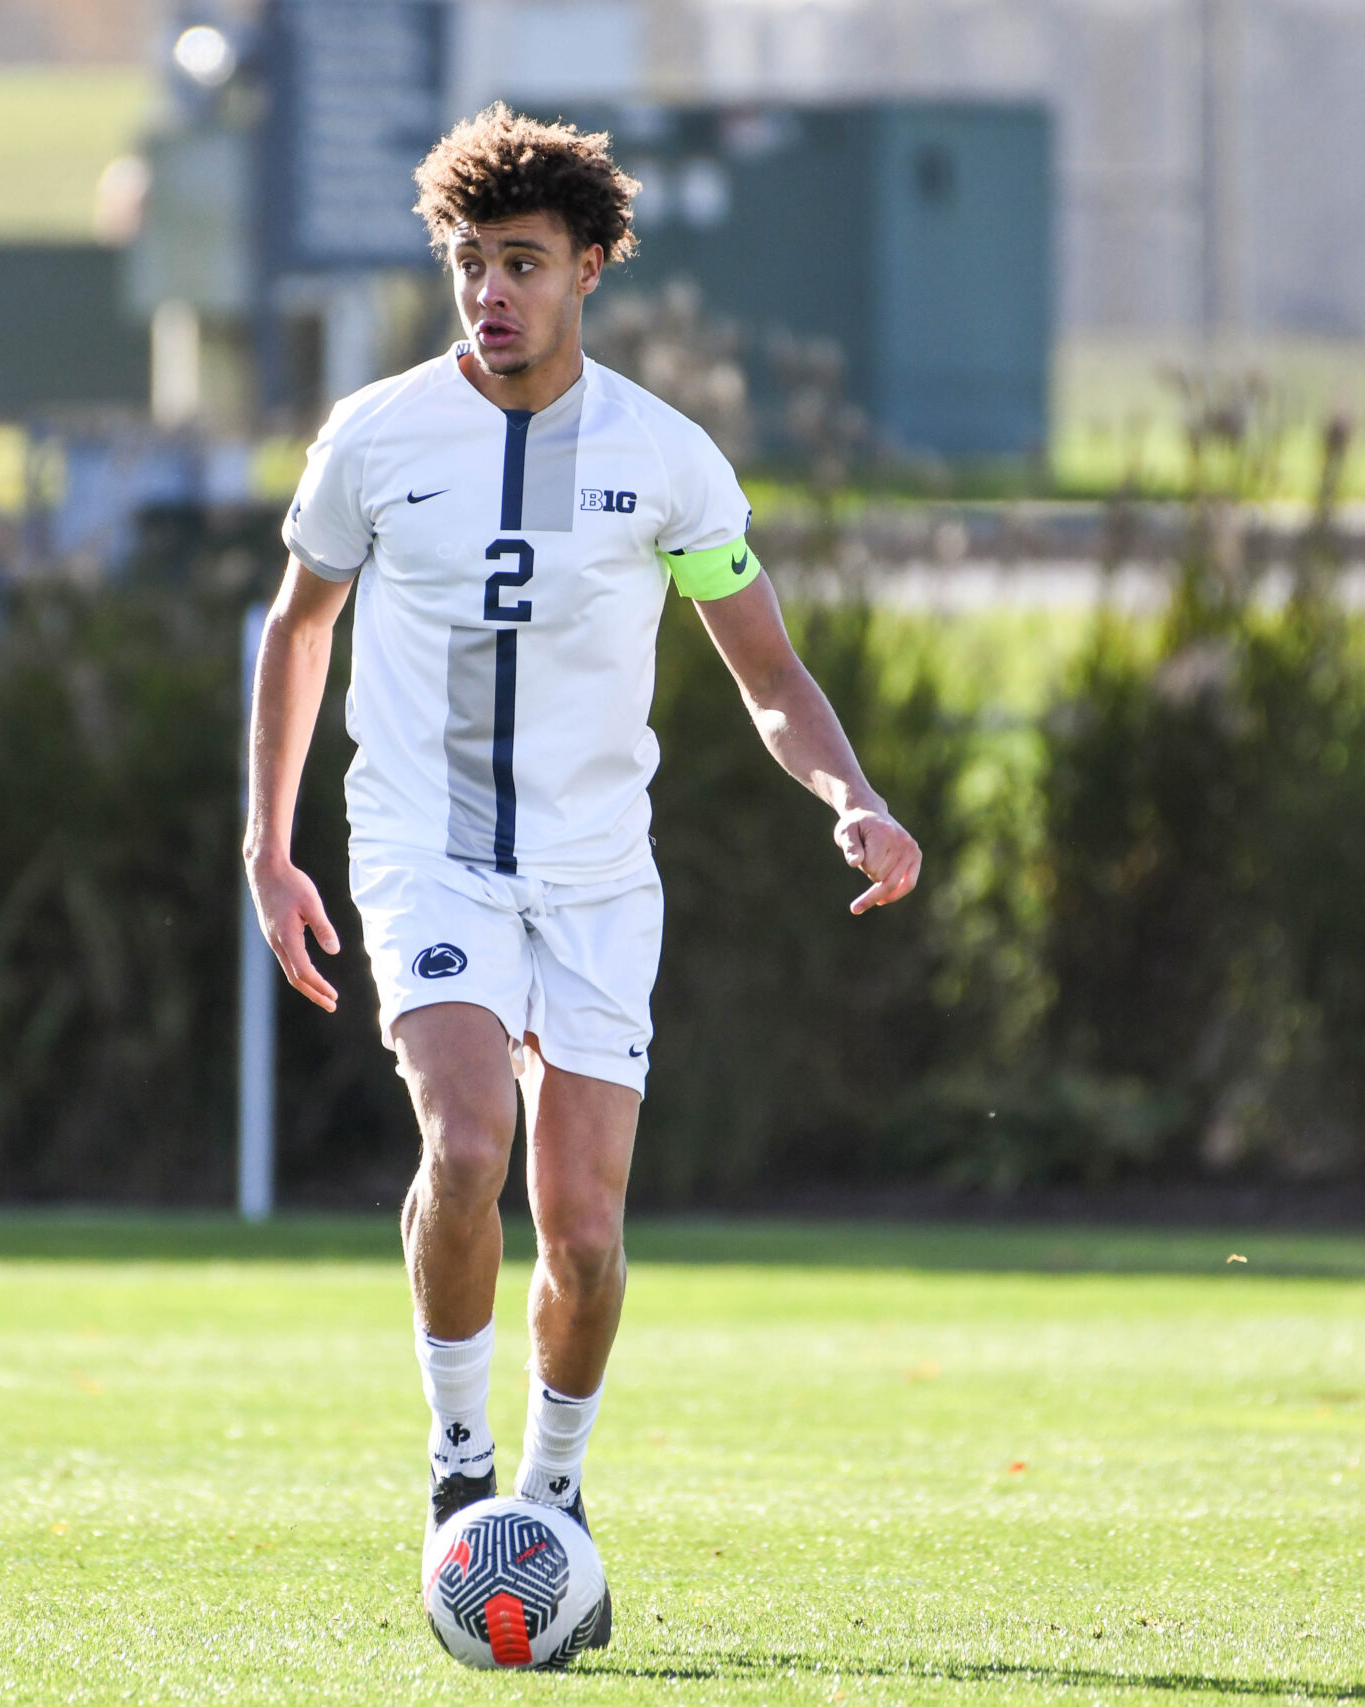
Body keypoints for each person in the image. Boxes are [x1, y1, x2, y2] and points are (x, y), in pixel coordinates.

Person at [242, 104, 923, 1648]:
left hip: (600, 881)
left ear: (593, 269)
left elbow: (768, 673)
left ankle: (549, 1499)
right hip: (425, 856)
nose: (492, 292)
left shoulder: (667, 466)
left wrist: (855, 800)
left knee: (590, 1235)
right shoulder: (374, 438)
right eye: (472, 263)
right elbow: (298, 632)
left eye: (525, 264)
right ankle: (458, 1466)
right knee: (468, 1140)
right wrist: (269, 848)